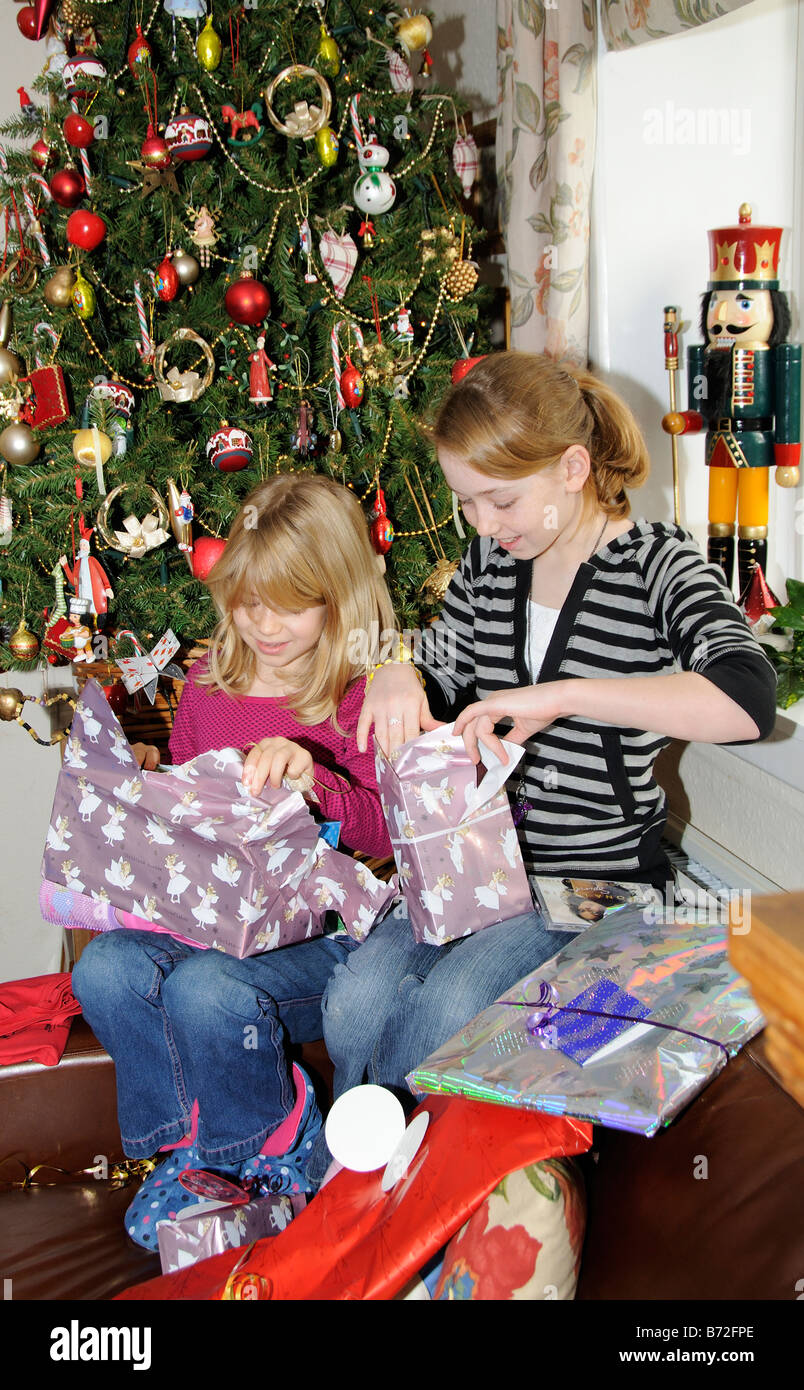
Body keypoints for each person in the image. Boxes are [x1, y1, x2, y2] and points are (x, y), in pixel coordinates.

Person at [306, 351, 777, 1181]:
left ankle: (389, 1198)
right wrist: (393, 665)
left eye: (501, 499)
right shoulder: (493, 567)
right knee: (355, 1001)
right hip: (475, 868)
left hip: (591, 883)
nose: (483, 524)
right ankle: (356, 1177)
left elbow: (745, 699)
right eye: (466, 502)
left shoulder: (658, 567)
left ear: (572, 468)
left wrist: (563, 694)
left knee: (452, 1009)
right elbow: (437, 665)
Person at [72, 474, 395, 1247]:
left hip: (328, 938)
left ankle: (270, 1147)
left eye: (291, 604)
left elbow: (388, 839)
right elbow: (190, 820)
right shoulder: (211, 682)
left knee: (209, 989)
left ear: (340, 598)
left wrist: (316, 782)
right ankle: (192, 1149)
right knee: (105, 970)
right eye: (249, 602)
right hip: (215, 916)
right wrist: (150, 788)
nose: (265, 625)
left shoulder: (361, 693)